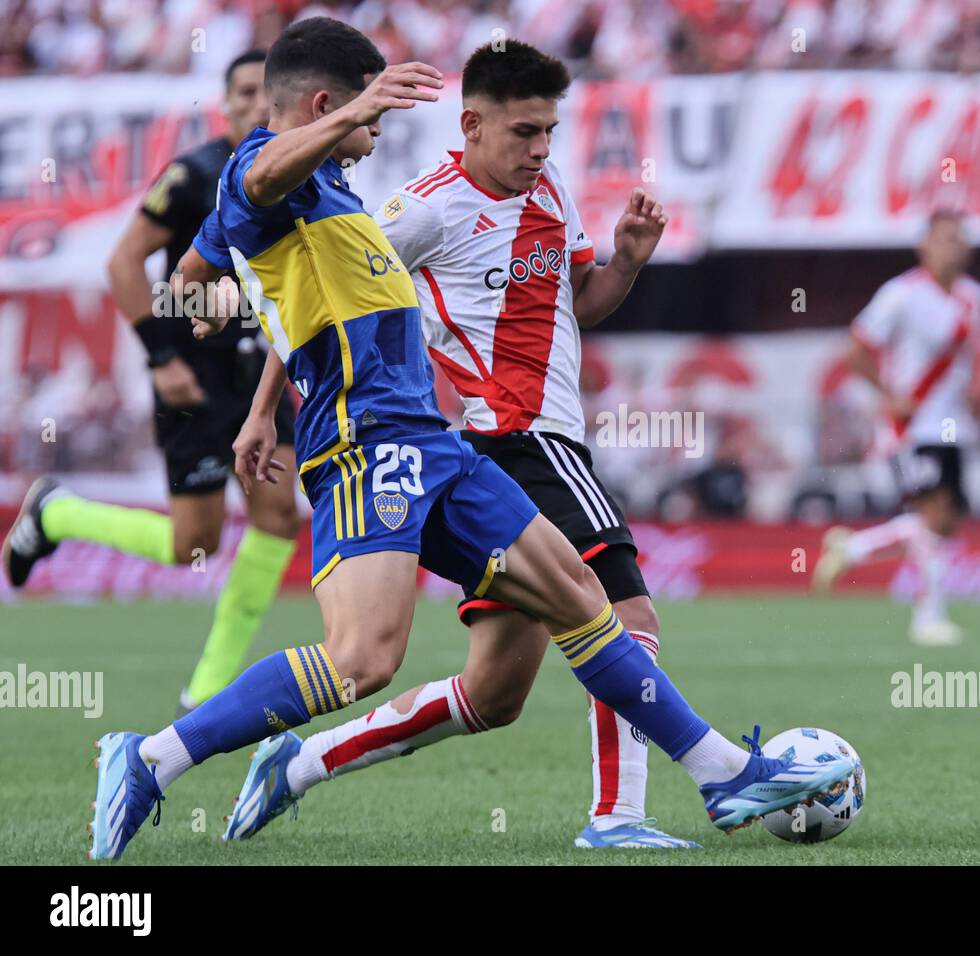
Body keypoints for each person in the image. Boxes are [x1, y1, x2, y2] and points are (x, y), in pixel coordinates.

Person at [82, 17, 853, 861]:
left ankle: (720, 772)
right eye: (370, 117)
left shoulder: (335, 193)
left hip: (433, 439)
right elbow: (258, 181)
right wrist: (266, 330)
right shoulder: (268, 169)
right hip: (362, 441)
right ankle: (152, 756)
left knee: (579, 597)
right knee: (360, 662)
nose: (377, 137)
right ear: (325, 104)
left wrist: (230, 315)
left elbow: (195, 277)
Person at [229, 40, 693, 850]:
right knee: (629, 611)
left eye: (549, 131)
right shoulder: (425, 207)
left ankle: (300, 762)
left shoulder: (551, 190)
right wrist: (265, 408)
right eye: (524, 132)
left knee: (495, 693)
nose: (541, 149)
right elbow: (321, 296)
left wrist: (627, 263)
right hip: (513, 437)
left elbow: (579, 302)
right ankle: (624, 817)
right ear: (472, 124)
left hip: (536, 442)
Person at [2, 50, 302, 715]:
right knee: (190, 542)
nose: (257, 103)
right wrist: (161, 359)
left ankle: (209, 686)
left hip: (262, 373)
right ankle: (56, 512)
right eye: (245, 91)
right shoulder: (194, 174)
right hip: (197, 374)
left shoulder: (296, 174)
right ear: (225, 104)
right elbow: (124, 262)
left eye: (267, 91)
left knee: (278, 513)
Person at [812, 210, 980, 646]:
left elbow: (966, 363)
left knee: (946, 522)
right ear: (923, 246)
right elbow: (856, 350)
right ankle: (928, 617)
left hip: (953, 425)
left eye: (959, 238)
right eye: (944, 238)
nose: (953, 246)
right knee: (934, 516)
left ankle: (853, 549)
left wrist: (973, 397)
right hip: (912, 426)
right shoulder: (901, 295)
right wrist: (889, 394)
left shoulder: (976, 299)